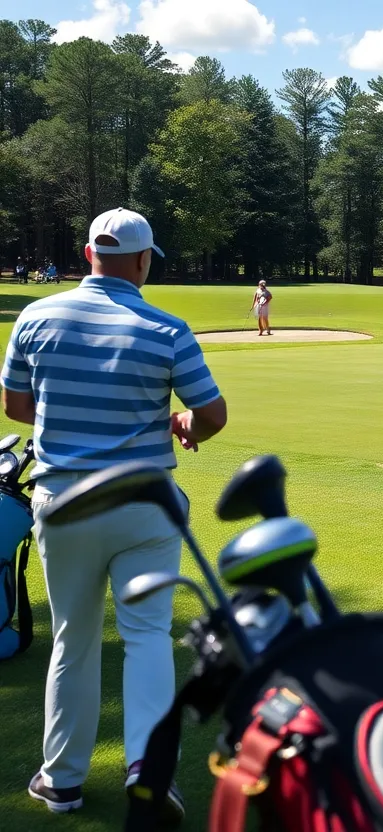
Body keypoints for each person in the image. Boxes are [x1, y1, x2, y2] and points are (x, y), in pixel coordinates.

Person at [1, 207, 227, 822]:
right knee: (147, 637)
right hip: (142, 503)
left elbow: (17, 407)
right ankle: (148, 773)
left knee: (73, 639)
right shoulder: (166, 327)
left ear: (86, 253)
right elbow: (212, 414)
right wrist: (177, 421)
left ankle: (62, 782)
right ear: (144, 261)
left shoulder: (35, 316)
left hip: (64, 500)